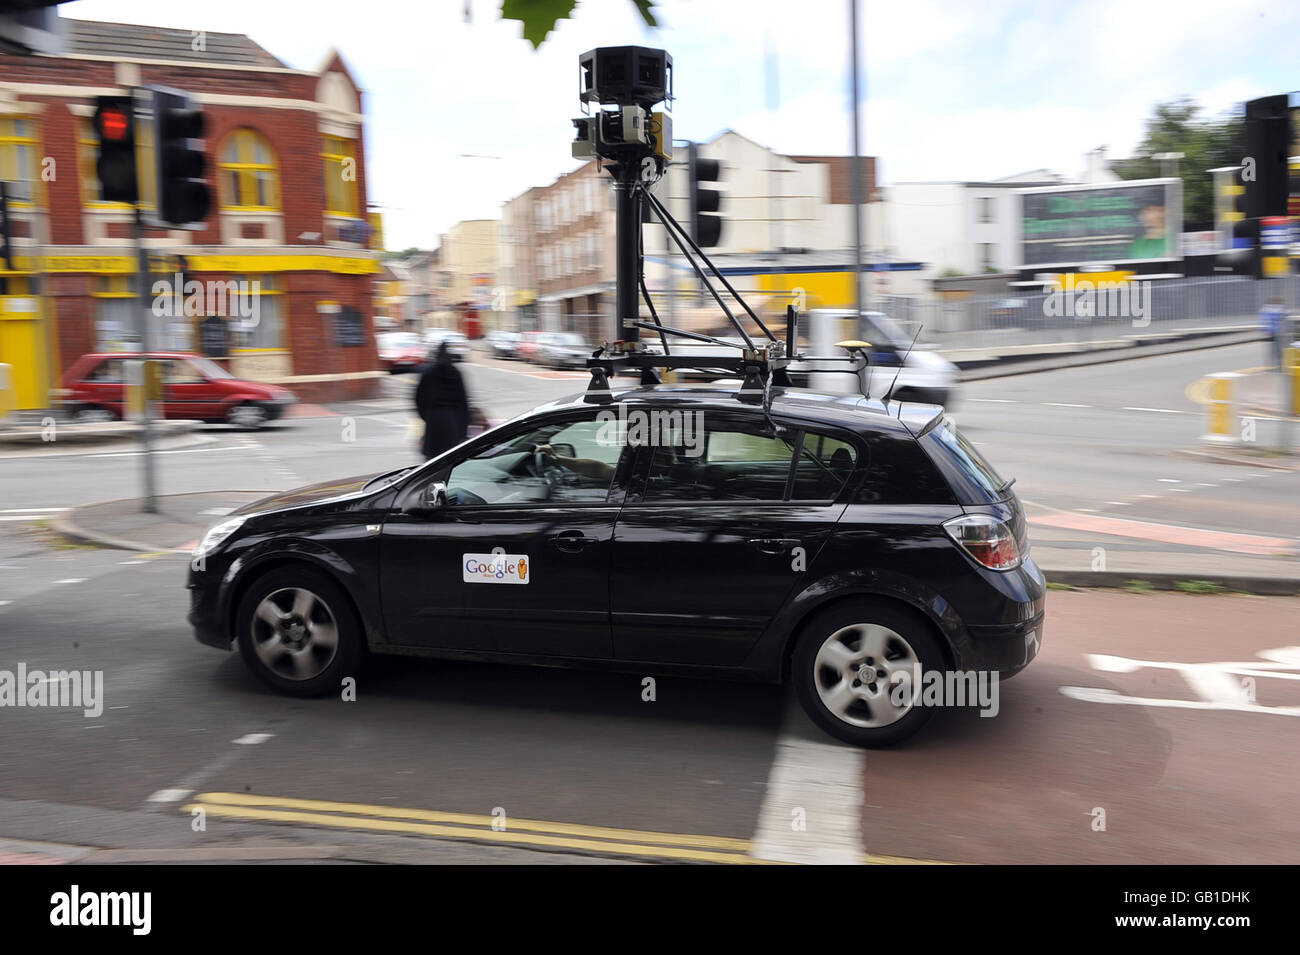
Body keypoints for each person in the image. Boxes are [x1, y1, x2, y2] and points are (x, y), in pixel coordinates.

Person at [415, 342, 473, 459]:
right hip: (453, 421)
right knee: (451, 458)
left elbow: (419, 398)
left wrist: (427, 416)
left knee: (433, 459)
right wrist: (464, 427)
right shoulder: (456, 373)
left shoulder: (428, 373)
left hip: (434, 420)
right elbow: (463, 401)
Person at [1261, 297, 1286, 371]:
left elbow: (1264, 321)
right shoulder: (1279, 310)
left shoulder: (1266, 310)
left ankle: (1270, 367)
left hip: (1270, 333)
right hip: (1278, 333)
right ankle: (1279, 367)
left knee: (1272, 351)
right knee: (1278, 351)